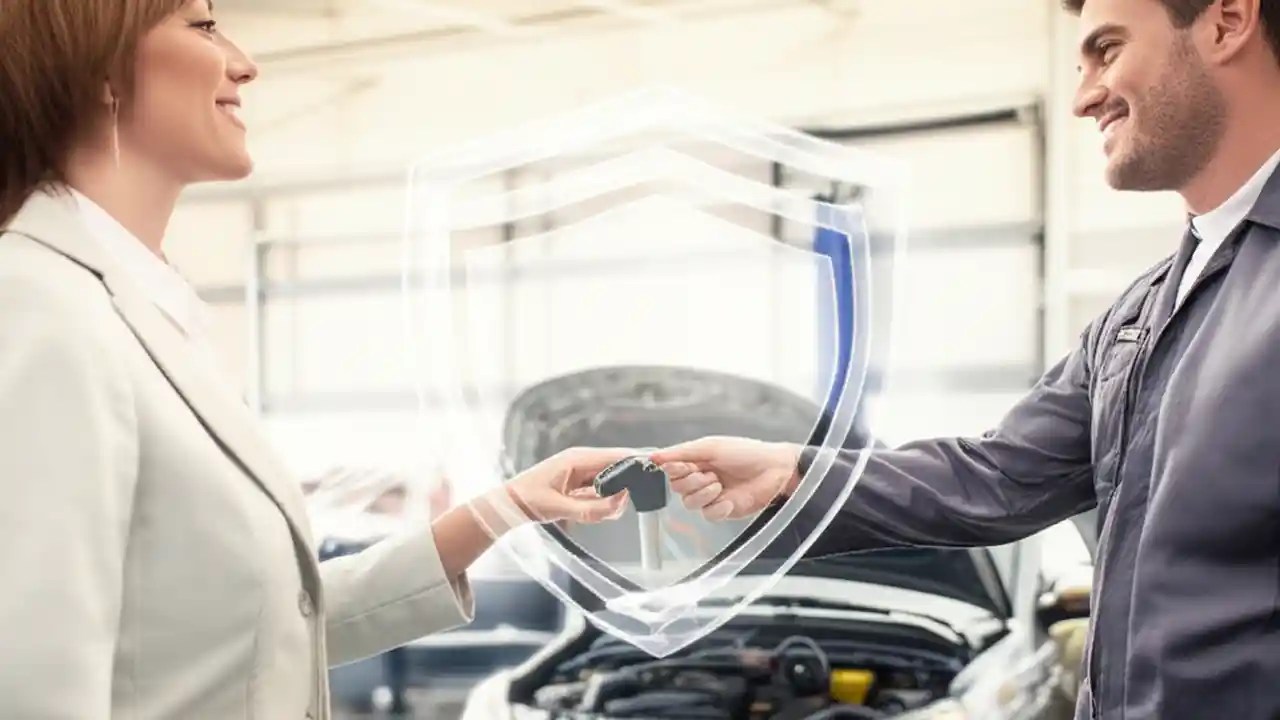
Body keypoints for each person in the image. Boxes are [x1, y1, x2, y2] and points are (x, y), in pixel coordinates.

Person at [0, 2, 632, 718]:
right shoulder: (36, 304)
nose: (245, 63)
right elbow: (31, 683)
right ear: (101, 71)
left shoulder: (150, 313)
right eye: (203, 28)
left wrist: (501, 510)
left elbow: (256, 636)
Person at [651, 1, 1280, 718]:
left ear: (1228, 22)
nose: (1082, 97)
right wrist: (791, 473)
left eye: (1107, 50)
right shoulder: (1141, 312)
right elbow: (998, 477)